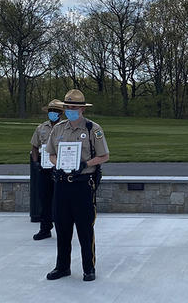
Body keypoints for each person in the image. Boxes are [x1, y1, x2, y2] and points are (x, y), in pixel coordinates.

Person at [44, 89, 109, 282]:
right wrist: (60, 163)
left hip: (83, 185)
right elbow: (51, 154)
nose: (71, 110)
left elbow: (104, 156)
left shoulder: (92, 129)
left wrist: (85, 164)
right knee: (62, 227)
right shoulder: (58, 129)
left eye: (74, 107)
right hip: (63, 184)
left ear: (82, 109)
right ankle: (62, 267)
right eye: (68, 107)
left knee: (84, 228)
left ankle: (88, 268)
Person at [30, 99, 64, 241]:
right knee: (44, 199)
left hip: (61, 169)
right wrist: (36, 163)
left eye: (55, 111)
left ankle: (62, 229)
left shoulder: (65, 127)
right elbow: (34, 147)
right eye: (50, 111)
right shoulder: (41, 128)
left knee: (61, 201)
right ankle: (45, 228)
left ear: (61, 113)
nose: (52, 113)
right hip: (45, 169)